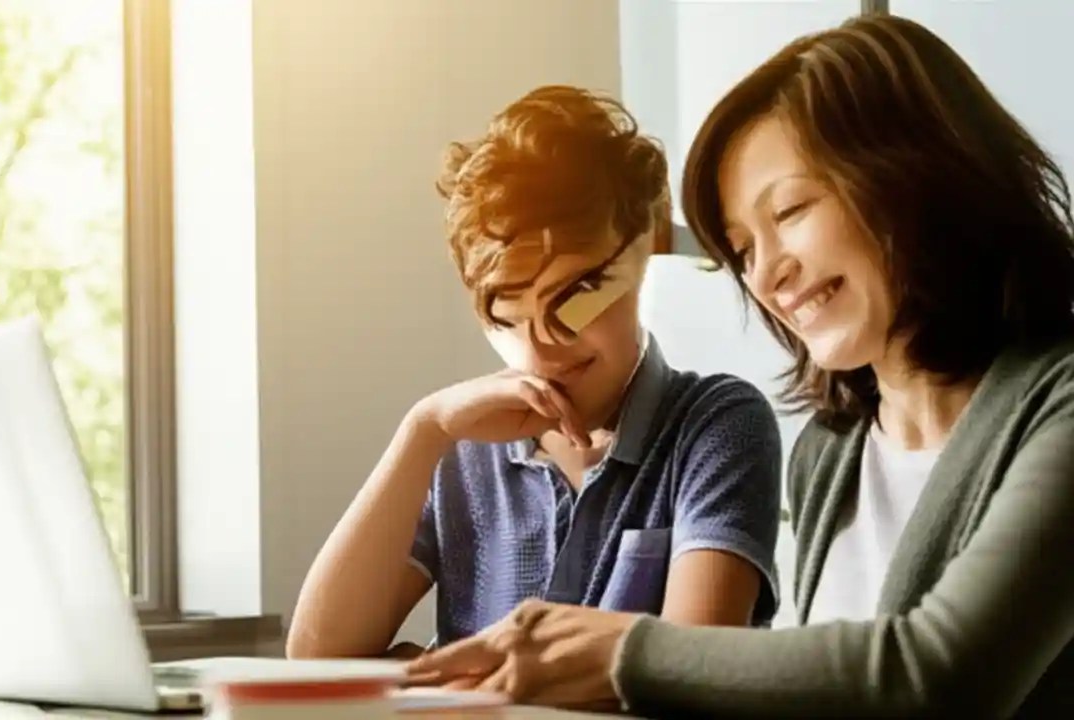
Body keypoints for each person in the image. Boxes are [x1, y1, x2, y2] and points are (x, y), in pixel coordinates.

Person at [407, 14, 1074, 717]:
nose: (768, 274)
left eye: (789, 209)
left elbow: (939, 678)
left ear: (919, 175)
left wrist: (616, 652)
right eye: (743, 249)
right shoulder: (830, 453)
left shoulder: (1057, 408)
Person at [285, 85, 783, 661]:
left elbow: (691, 665)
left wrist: (463, 671)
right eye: (509, 317)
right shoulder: (463, 449)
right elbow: (318, 653)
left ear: (643, 255)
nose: (543, 350)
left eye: (574, 302)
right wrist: (421, 431)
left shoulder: (715, 425)